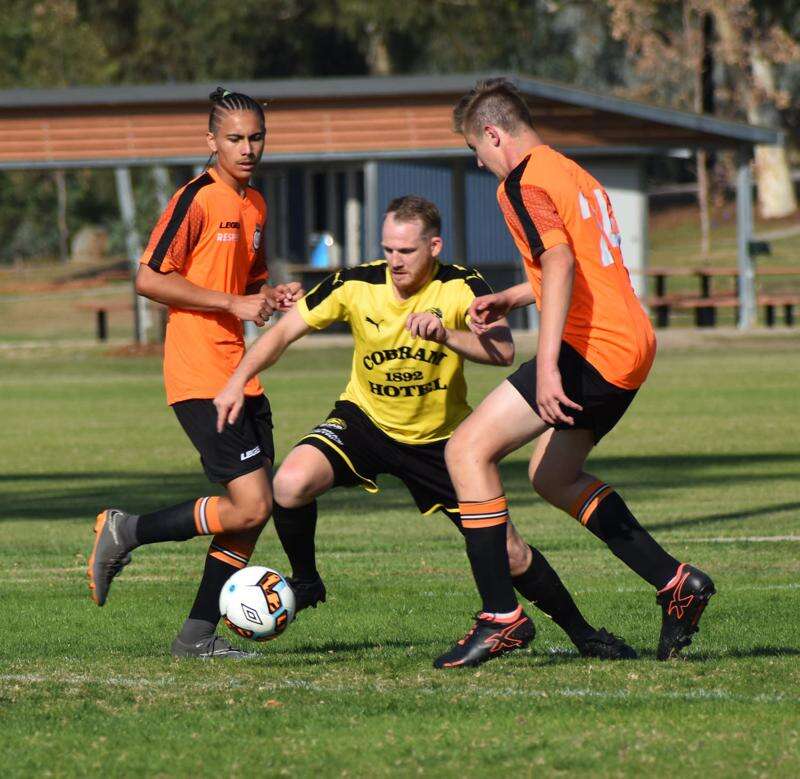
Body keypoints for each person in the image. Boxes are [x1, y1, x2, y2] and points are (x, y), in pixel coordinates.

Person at [214, 194, 636, 662]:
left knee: (511, 554)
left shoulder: (461, 286)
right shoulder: (354, 284)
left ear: (434, 246)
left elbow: (503, 352)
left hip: (442, 440)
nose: (394, 261)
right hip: (364, 421)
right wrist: (237, 382)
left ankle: (584, 634)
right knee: (290, 485)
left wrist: (447, 335)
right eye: (388, 249)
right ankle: (307, 580)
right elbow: (279, 334)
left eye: (406, 251)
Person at [432, 78, 715, 669]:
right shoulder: (570, 172)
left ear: (492, 133)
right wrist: (514, 295)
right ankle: (674, 581)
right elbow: (580, 265)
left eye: (474, 150)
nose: (479, 162)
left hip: (593, 347)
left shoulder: (521, 182)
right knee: (554, 476)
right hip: (631, 344)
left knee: (466, 452)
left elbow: (559, 262)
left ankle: (500, 617)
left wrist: (548, 366)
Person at [87, 87, 302, 659]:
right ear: (212, 142)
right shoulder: (197, 199)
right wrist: (234, 306)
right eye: (235, 138)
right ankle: (126, 531)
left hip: (243, 373)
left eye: (256, 137)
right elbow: (149, 278)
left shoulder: (254, 204)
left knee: (252, 516)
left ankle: (196, 637)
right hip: (200, 374)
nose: (248, 147)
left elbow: (248, 282)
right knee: (253, 503)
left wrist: (268, 294)